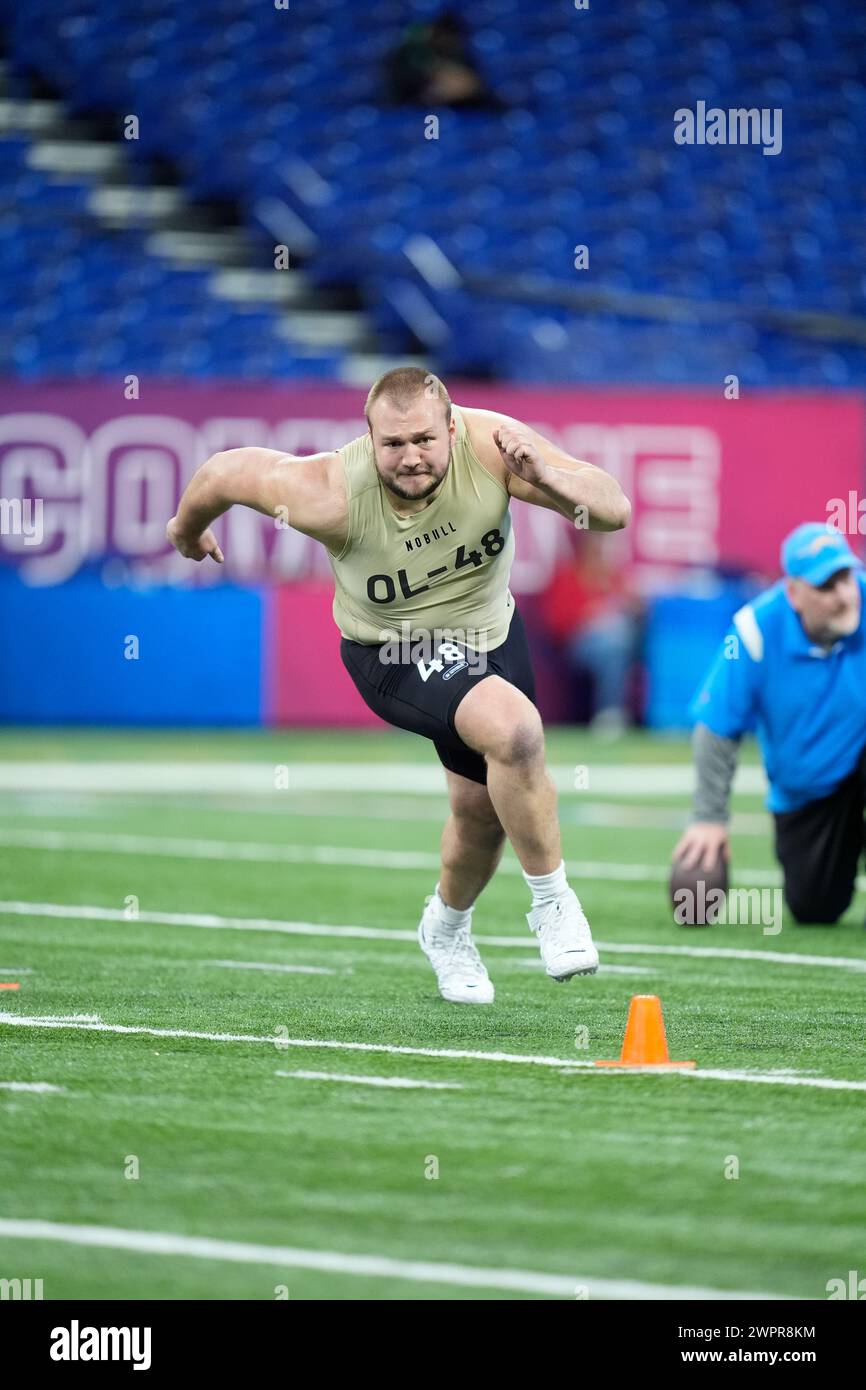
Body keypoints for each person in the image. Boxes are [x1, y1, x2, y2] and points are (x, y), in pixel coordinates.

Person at [167, 367, 631, 1001]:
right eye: (393, 444)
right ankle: (553, 902)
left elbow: (613, 510)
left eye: (423, 440)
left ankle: (445, 927)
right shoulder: (331, 492)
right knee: (517, 732)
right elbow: (224, 472)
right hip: (395, 649)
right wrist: (186, 531)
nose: (410, 457)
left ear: (451, 428)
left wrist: (549, 479)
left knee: (483, 814)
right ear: (368, 438)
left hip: (493, 632)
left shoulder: (494, 446)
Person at [672, 522, 866, 926]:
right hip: (810, 786)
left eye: (846, 577)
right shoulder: (753, 632)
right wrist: (710, 818)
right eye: (827, 586)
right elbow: (717, 726)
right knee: (815, 907)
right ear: (794, 593)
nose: (845, 595)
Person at [539, 529, 641, 736]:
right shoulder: (567, 576)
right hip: (577, 648)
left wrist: (627, 606)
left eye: (604, 545)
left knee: (620, 640)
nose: (601, 551)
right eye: (595, 545)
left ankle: (659, 716)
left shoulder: (614, 578)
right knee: (611, 646)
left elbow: (636, 610)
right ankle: (609, 715)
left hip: (620, 643)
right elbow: (557, 625)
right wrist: (591, 616)